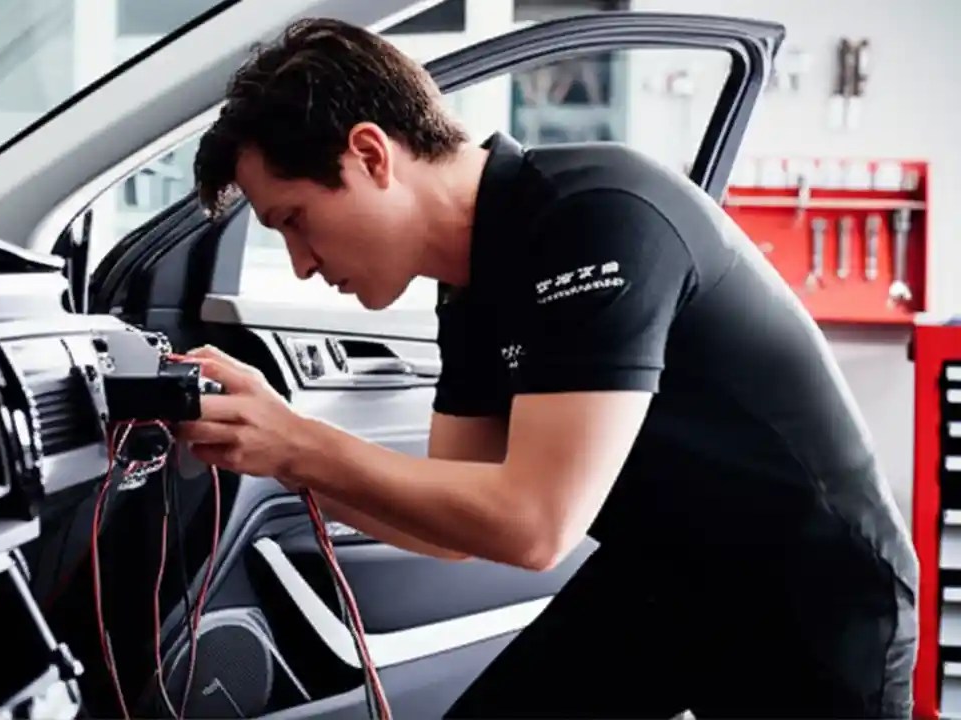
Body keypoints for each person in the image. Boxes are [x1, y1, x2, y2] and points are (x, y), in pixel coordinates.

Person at [175, 17, 919, 719]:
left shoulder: (597, 216)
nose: (302, 266)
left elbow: (535, 524)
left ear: (370, 155)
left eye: (295, 221)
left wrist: (299, 442)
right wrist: (272, 454)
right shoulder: (468, 283)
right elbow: (451, 530)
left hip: (812, 593)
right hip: (670, 573)